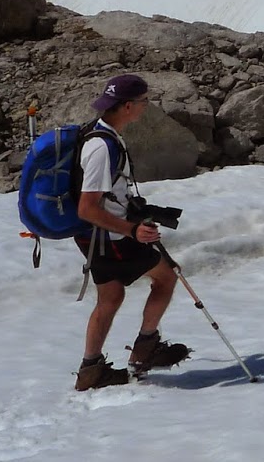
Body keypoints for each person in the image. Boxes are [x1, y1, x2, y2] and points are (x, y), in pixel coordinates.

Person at [72, 74, 190, 390]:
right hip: (111, 237)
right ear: (127, 106)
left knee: (111, 297)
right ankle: (145, 349)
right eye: (143, 101)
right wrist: (133, 229)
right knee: (166, 276)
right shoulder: (102, 147)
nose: (145, 107)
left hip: (96, 236)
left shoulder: (100, 135)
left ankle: (91, 370)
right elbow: (87, 207)